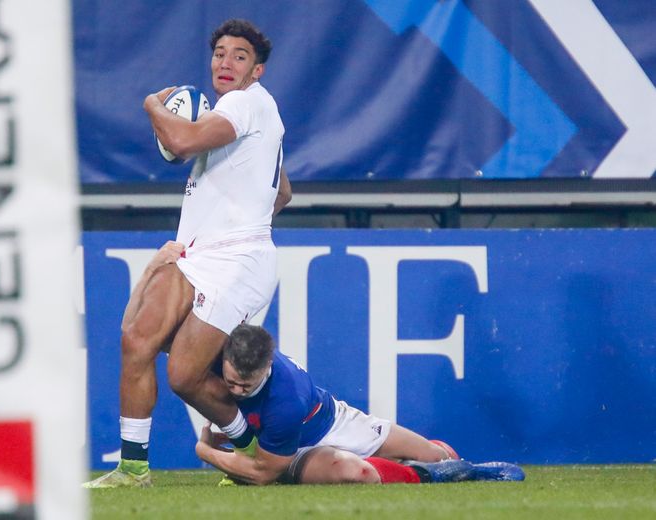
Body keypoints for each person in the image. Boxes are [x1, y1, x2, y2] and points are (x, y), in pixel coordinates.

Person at [84, 19, 290, 489]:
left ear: (256, 71)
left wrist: (153, 105)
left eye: (239, 56)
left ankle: (254, 455)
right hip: (197, 253)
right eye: (220, 52)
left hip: (237, 260)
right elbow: (283, 193)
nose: (225, 62)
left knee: (184, 376)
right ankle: (133, 470)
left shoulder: (242, 103)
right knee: (138, 338)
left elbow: (178, 142)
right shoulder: (255, 115)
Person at [195, 324, 526, 486]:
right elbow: (270, 469)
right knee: (357, 472)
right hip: (298, 451)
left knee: (441, 455)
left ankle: (440, 462)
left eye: (246, 385)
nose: (236, 390)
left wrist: (205, 452)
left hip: (334, 422)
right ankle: (422, 475)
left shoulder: (287, 399)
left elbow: (261, 473)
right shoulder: (215, 353)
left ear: (266, 368)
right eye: (231, 381)